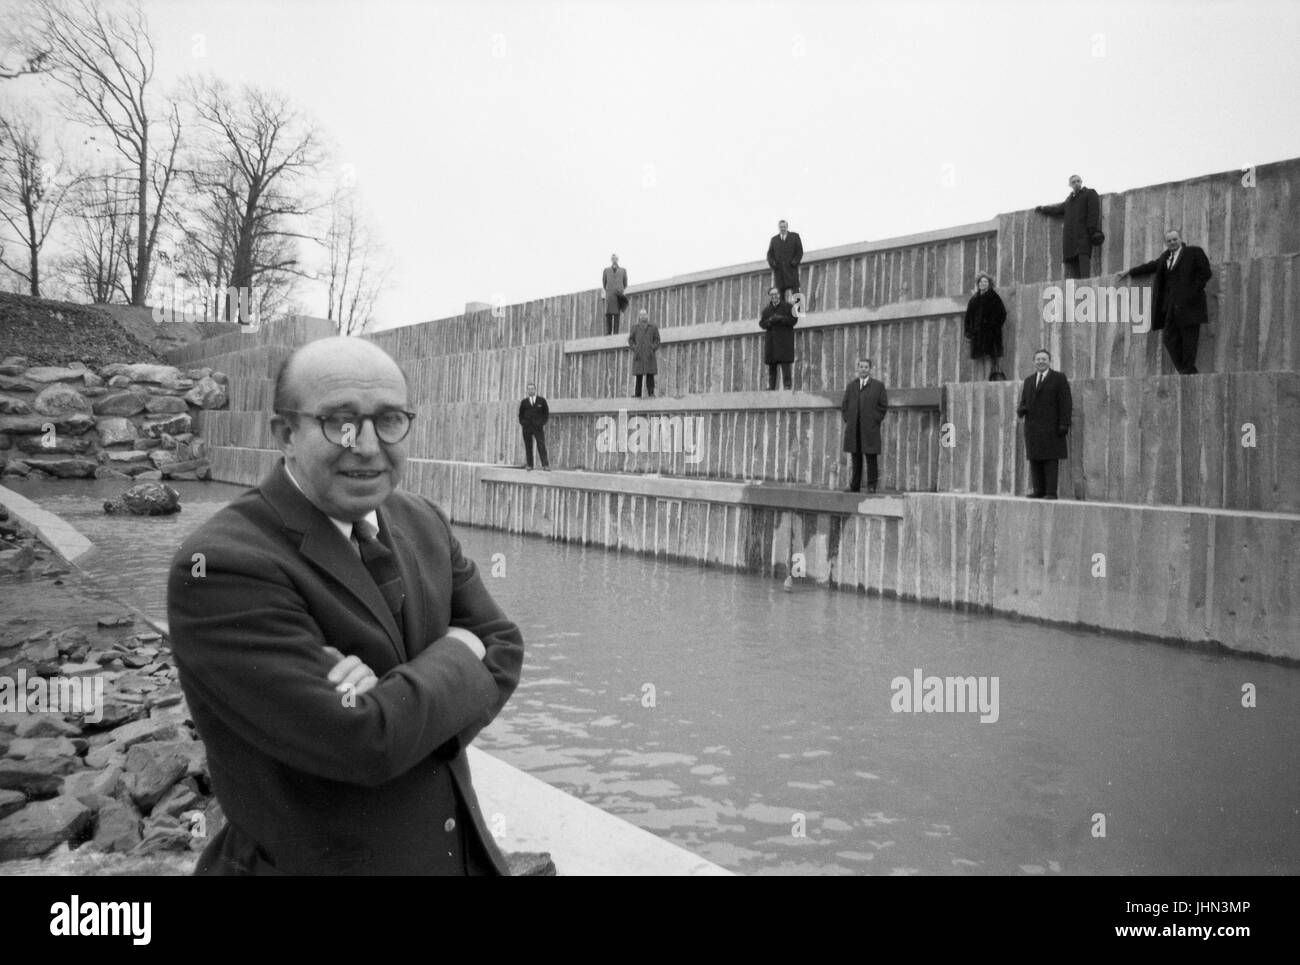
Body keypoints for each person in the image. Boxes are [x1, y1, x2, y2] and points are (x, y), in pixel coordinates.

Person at [167, 336, 524, 875]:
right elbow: (363, 742)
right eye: (341, 422)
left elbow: (502, 645)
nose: (368, 445)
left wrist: (395, 703)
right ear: (285, 433)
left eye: (390, 419)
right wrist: (456, 655)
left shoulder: (421, 519)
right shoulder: (221, 565)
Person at [1119, 229, 1212, 375]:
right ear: (1165, 243)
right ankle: (1187, 370)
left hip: (1190, 305)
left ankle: (1187, 370)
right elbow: (1151, 266)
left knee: (1189, 340)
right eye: (1169, 241)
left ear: (1180, 239)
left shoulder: (1194, 252)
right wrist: (1130, 271)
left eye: (1175, 239)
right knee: (1169, 338)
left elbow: (1206, 273)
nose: (1173, 242)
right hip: (1170, 306)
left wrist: (1191, 292)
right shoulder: (1165, 257)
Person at [1016, 349, 1072, 499]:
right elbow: (1024, 401)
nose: (1041, 362)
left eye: (1044, 359)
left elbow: (1066, 402)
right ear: (1034, 361)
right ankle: (1038, 490)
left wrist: (1064, 423)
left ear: (1049, 361)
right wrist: (1021, 410)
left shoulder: (1058, 378)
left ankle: (1051, 492)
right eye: (1038, 359)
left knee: (1050, 460)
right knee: (1035, 459)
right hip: (1033, 428)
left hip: (1052, 427)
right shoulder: (1028, 381)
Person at [1035, 174, 1103, 279]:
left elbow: (1093, 212)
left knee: (1084, 265)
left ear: (1081, 182)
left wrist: (1092, 230)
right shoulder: (1069, 201)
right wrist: (1043, 209)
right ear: (1070, 185)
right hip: (1070, 239)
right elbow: (1057, 209)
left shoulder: (1089, 193)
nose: (1076, 183)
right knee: (1074, 269)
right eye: (1073, 182)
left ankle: (1085, 286)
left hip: (1083, 236)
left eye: (1078, 181)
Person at [841, 358, 888, 493]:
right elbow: (845, 405)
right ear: (857, 368)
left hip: (869, 428)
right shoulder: (851, 386)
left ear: (870, 369)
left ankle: (872, 486)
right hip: (854, 428)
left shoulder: (878, 386)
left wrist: (874, 421)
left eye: (866, 367)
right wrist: (849, 420)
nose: (863, 369)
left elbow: (883, 406)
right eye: (861, 367)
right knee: (856, 458)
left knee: (871, 457)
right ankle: (854, 486)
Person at [963, 271, 1007, 379]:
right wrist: (968, 332)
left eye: (985, 282)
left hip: (990, 334)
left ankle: (986, 380)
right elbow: (968, 317)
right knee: (978, 358)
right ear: (978, 284)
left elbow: (1002, 313)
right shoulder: (974, 299)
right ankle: (979, 381)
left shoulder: (994, 297)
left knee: (987, 357)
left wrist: (993, 326)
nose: (983, 283)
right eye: (981, 282)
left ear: (989, 284)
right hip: (977, 334)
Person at [758, 285, 798, 390]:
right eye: (772, 295)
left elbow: (794, 321)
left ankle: (787, 386)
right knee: (772, 367)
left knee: (786, 366)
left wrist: (781, 319)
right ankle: (771, 387)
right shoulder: (766, 311)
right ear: (769, 296)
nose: (774, 296)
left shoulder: (788, 307)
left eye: (776, 294)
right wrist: (770, 321)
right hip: (772, 342)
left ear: (779, 295)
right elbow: (762, 324)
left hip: (784, 341)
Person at [766, 219, 803, 307]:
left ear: (787, 227)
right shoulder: (774, 240)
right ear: (779, 228)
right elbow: (769, 255)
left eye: (784, 227)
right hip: (779, 272)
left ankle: (799, 310)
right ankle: (781, 312)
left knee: (795, 290)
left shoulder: (794, 236)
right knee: (780, 293)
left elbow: (799, 252)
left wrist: (794, 263)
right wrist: (774, 264)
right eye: (781, 227)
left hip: (791, 270)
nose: (783, 228)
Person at [628, 308, 660, 398]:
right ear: (639, 316)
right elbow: (630, 340)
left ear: (647, 316)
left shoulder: (653, 327)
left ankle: (651, 393)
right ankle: (637, 394)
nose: (643, 316)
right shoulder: (634, 327)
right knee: (639, 376)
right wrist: (635, 348)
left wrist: (652, 348)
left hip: (649, 354)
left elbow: (657, 340)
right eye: (641, 315)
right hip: (639, 354)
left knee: (650, 375)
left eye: (645, 314)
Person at [518, 381, 550, 470]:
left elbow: (546, 413)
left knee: (541, 445)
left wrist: (541, 423)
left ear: (535, 390)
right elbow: (520, 414)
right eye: (529, 389)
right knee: (528, 446)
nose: (531, 390)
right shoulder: (524, 402)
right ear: (527, 391)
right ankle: (530, 465)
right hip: (527, 428)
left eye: (532, 389)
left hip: (538, 427)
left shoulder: (541, 401)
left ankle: (545, 465)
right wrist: (523, 423)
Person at [602, 254, 628, 336]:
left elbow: (625, 283)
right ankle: (608, 333)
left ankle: (616, 334)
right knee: (609, 315)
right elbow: (604, 283)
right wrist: (610, 289)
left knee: (617, 316)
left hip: (618, 296)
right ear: (611, 260)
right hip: (609, 296)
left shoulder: (623, 270)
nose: (614, 260)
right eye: (613, 259)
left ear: (618, 260)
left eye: (616, 259)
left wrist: (619, 290)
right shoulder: (606, 270)